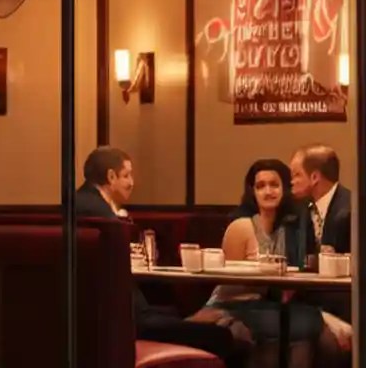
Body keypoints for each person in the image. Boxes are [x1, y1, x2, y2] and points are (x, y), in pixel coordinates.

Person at [76, 146, 245, 368]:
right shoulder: (102, 217)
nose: (132, 183)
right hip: (122, 321)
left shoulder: (82, 204)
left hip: (105, 315)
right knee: (225, 337)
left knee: (181, 313)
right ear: (110, 176)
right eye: (127, 175)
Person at [195, 159, 324, 368]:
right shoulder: (241, 226)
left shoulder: (288, 229)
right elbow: (230, 283)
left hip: (266, 307)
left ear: (284, 189)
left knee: (306, 331)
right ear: (252, 192)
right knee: (306, 322)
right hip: (231, 306)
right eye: (260, 186)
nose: (267, 191)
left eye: (274, 184)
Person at [289, 145, 354, 363]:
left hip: (349, 310)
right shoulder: (304, 210)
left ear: (314, 177)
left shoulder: (352, 210)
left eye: (297, 175)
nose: (292, 181)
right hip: (317, 310)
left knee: (301, 334)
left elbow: (360, 274)